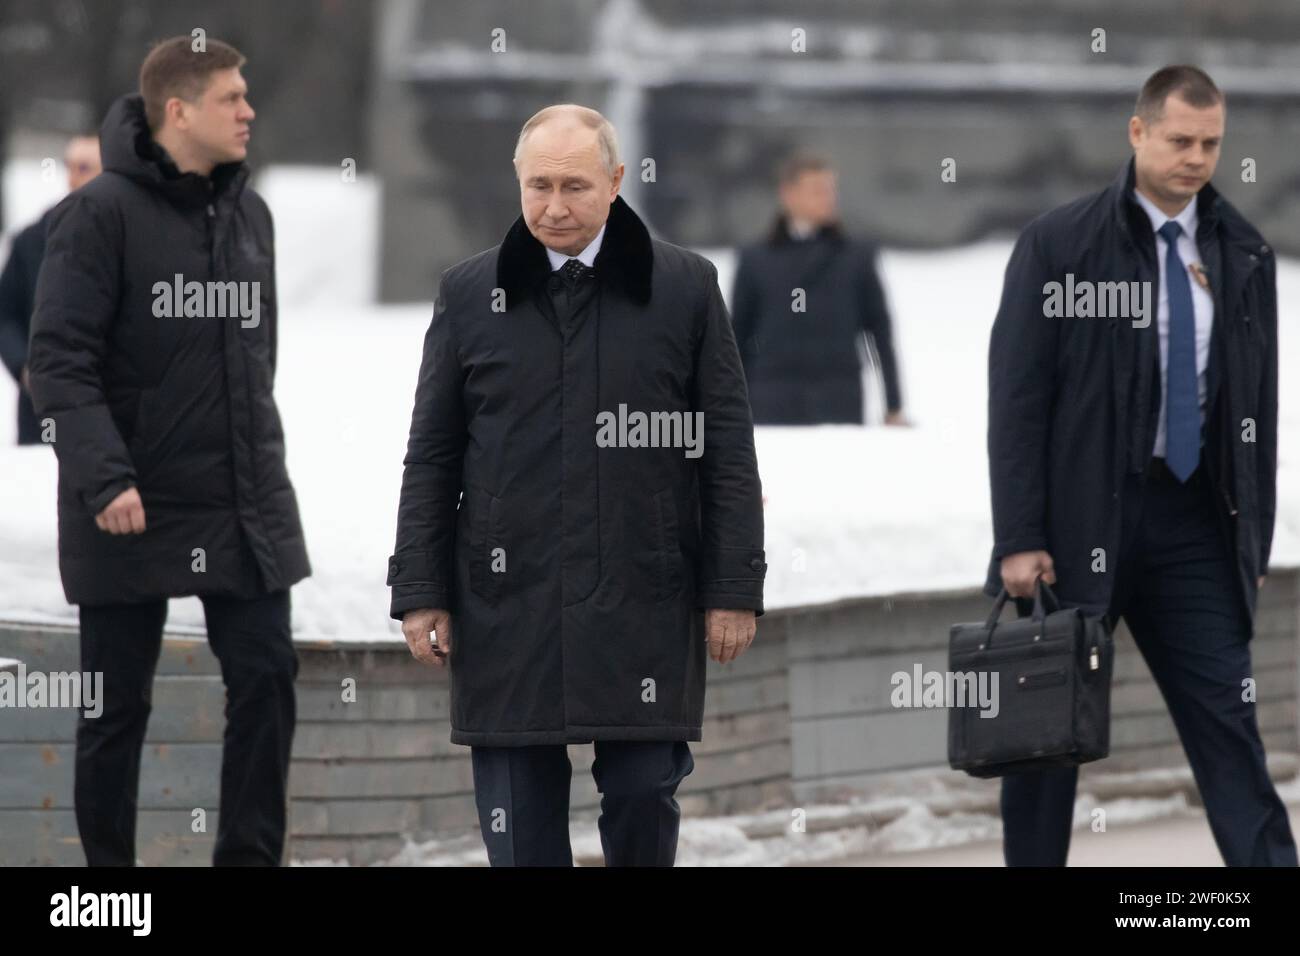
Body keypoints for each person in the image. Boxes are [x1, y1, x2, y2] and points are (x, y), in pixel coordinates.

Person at [388, 104, 766, 867]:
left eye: (574, 185)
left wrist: (732, 585)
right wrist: (420, 586)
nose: (554, 206)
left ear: (617, 181)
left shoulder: (685, 288)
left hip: (645, 593)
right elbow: (432, 454)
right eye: (538, 186)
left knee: (641, 799)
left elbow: (726, 448)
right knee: (518, 826)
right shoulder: (469, 294)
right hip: (506, 601)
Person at [986, 65, 1295, 866]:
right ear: (1137, 132)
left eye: (1212, 143)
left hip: (1194, 523)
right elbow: (1018, 399)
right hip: (1079, 526)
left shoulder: (1245, 254)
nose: (1196, 158)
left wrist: (1249, 542)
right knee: (1048, 740)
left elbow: (1254, 411)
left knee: (1229, 725)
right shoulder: (1060, 243)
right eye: (1180, 139)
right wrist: (1019, 535)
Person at [27, 36, 310, 866]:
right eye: (232, 98)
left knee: (267, 679)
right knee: (115, 708)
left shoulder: (250, 214)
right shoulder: (98, 214)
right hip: (127, 500)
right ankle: (111, 886)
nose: (249, 110)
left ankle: (248, 859)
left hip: (241, 496)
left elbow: (258, 359)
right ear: (179, 110)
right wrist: (104, 475)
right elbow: (58, 363)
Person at [730, 153, 905, 425]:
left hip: (839, 404)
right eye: (817, 190)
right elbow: (737, 338)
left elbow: (880, 333)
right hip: (771, 405)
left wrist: (894, 405)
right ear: (788, 194)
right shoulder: (756, 259)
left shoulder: (857, 257)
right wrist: (727, 408)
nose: (828, 197)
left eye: (831, 189)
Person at [0, 134, 101, 444]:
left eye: (84, 167)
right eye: (69, 166)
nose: (73, 175)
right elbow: (5, 314)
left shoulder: (129, 239)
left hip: (106, 404)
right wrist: (25, 367)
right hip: (43, 409)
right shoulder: (32, 240)